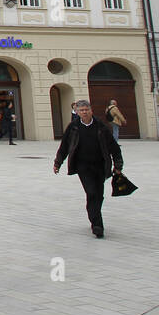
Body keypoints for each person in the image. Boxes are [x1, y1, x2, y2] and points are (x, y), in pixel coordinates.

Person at [54, 99, 123, 238]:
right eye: (81, 110)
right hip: (83, 166)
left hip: (100, 165)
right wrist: (58, 163)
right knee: (91, 192)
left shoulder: (101, 126)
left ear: (91, 110)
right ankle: (97, 225)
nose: (84, 112)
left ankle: (93, 215)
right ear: (77, 112)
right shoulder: (73, 127)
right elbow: (65, 146)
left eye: (86, 109)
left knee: (98, 194)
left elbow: (113, 147)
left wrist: (118, 165)